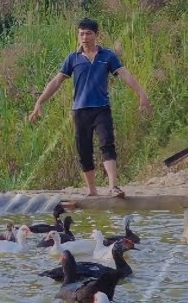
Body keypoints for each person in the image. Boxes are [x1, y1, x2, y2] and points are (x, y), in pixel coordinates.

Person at [27, 18, 152, 198]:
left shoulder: (107, 56)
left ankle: (113, 186)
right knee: (84, 149)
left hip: (101, 108)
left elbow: (124, 73)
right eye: (81, 34)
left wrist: (142, 94)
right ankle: (92, 190)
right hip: (80, 111)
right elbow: (57, 81)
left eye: (88, 33)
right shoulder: (73, 58)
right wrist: (39, 102)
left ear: (96, 35)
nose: (84, 37)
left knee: (107, 144)